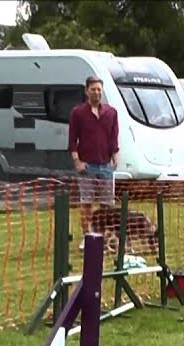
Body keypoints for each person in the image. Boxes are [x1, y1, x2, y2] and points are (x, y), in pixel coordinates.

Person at [67, 75, 120, 242]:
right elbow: (72, 140)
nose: (96, 93)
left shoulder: (111, 113)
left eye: (99, 90)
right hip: (87, 165)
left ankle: (104, 235)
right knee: (87, 203)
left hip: (106, 165)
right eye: (93, 89)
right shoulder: (78, 113)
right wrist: (77, 161)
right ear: (86, 91)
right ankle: (87, 236)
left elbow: (114, 137)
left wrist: (115, 156)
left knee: (106, 204)